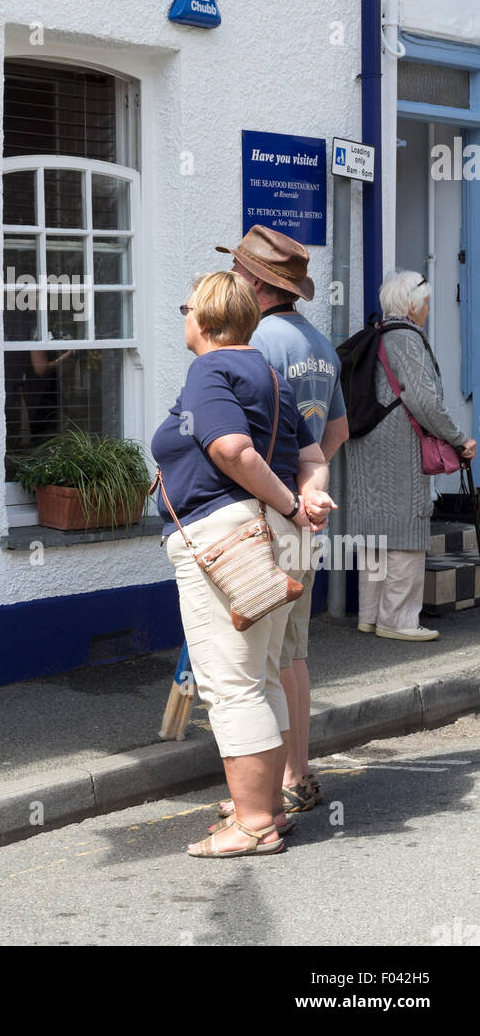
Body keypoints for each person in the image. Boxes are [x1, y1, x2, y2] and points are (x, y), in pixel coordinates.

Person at [151, 271, 334, 857]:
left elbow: (232, 450)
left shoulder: (210, 369)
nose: (182, 318)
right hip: (274, 537)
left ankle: (252, 824)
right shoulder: (268, 372)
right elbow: (312, 453)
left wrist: (286, 501)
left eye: (185, 307)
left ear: (203, 320)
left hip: (229, 537)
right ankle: (270, 810)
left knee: (231, 685)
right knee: (259, 677)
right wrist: (306, 500)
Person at [220, 224, 349, 813]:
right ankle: (299, 773)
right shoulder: (319, 342)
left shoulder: (261, 338)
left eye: (241, 273)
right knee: (293, 652)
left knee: (261, 662)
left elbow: (242, 434)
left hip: (269, 514)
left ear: (255, 282)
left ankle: (267, 796)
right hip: (307, 516)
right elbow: (336, 430)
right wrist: (311, 478)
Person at [346, 270, 476, 641]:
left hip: (367, 441)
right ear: (412, 307)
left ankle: (370, 615)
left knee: (375, 527)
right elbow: (424, 400)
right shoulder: (408, 339)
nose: (430, 310)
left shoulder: (379, 335)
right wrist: (456, 438)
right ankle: (399, 620)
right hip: (398, 448)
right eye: (428, 303)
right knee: (406, 523)